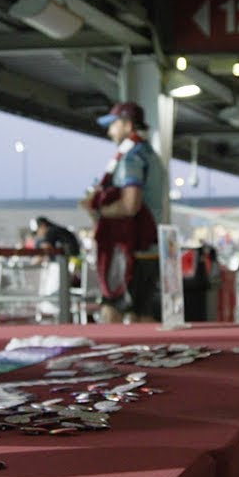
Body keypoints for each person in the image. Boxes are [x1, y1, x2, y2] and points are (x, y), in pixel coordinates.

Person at [79, 101, 165, 323]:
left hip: (131, 251)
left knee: (112, 309)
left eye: (113, 124)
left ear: (127, 125)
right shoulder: (152, 157)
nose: (109, 131)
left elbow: (130, 204)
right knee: (142, 314)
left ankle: (108, 357)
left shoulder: (130, 159)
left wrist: (100, 209)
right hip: (152, 248)